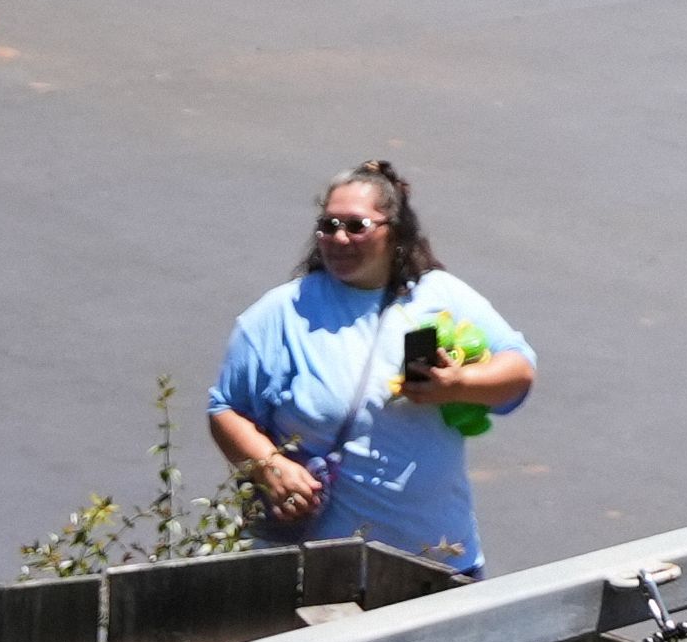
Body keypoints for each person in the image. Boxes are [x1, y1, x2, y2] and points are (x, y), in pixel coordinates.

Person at [207, 161, 535, 574]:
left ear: (393, 232)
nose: (339, 238)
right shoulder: (280, 314)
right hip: (320, 567)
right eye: (328, 226)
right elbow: (224, 408)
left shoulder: (439, 294)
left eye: (356, 226)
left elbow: (518, 369)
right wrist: (269, 465)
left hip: (440, 560)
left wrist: (458, 383)